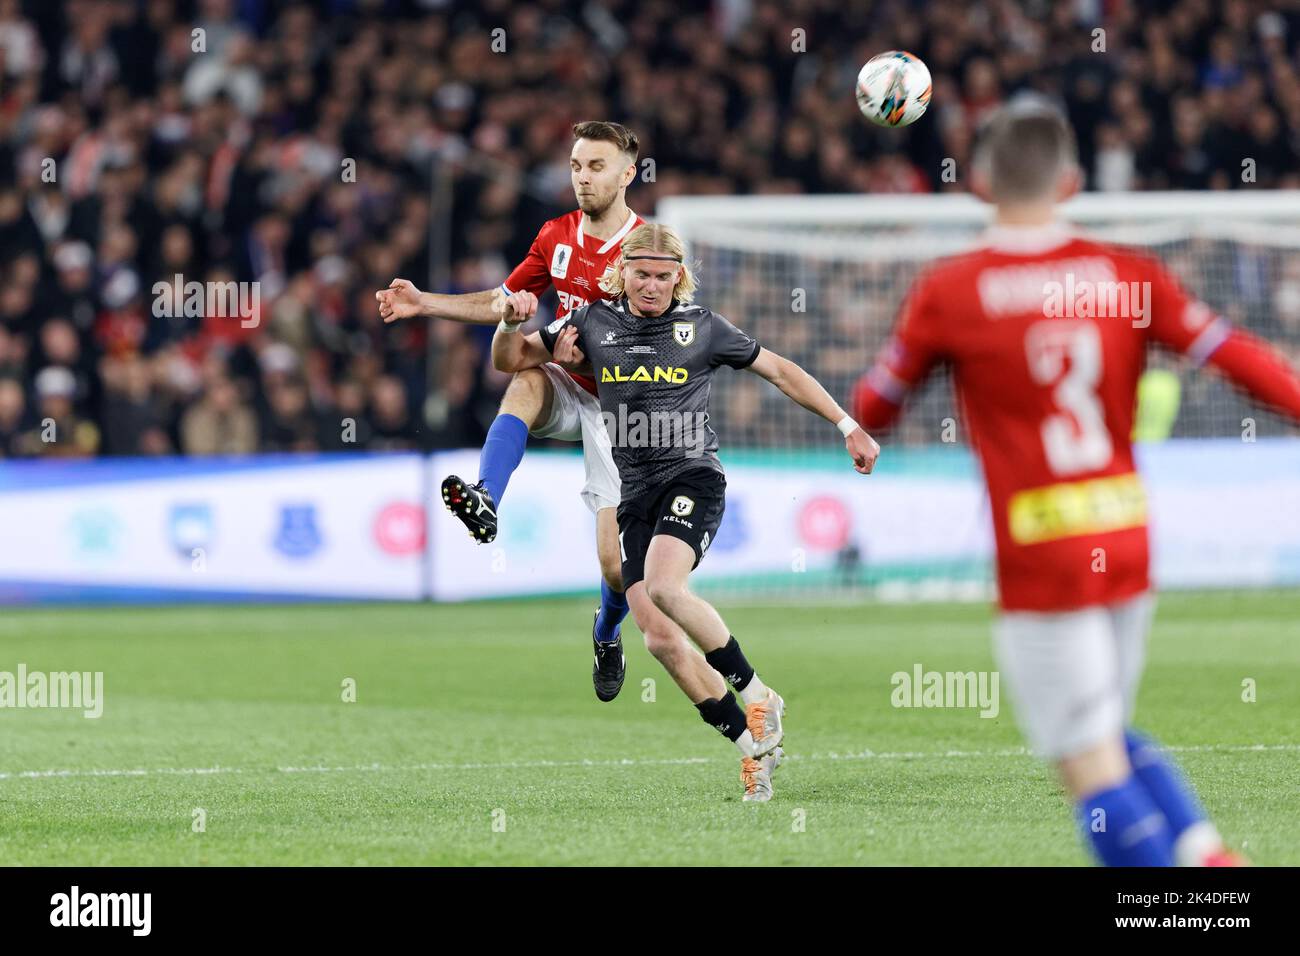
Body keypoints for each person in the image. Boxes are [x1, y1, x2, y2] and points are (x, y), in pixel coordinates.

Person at [853, 99, 1300, 864]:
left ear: (979, 186)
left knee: (1084, 761)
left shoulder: (952, 291)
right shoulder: (1127, 275)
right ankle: (1213, 867)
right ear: (1070, 182)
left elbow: (873, 409)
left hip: (1041, 550)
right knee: (1107, 734)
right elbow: (1240, 359)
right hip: (1124, 535)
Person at [494, 222, 880, 801]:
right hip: (635, 496)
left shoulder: (702, 329)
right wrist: (508, 321)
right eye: (642, 273)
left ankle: (757, 694)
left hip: (693, 478)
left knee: (669, 590)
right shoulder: (591, 323)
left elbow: (781, 371)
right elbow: (510, 361)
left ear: (680, 278)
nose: (652, 285)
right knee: (660, 640)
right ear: (621, 271)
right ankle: (754, 751)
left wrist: (847, 425)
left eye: (663, 275)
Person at [376, 121, 645, 702]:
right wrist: (424, 302)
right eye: (576, 166)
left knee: (616, 567)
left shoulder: (649, 251)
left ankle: (606, 632)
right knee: (525, 376)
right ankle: (487, 497)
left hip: (625, 409)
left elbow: (672, 342)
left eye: (596, 166)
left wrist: (599, 349)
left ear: (627, 174)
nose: (582, 177)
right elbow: (503, 301)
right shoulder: (556, 236)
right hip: (570, 383)